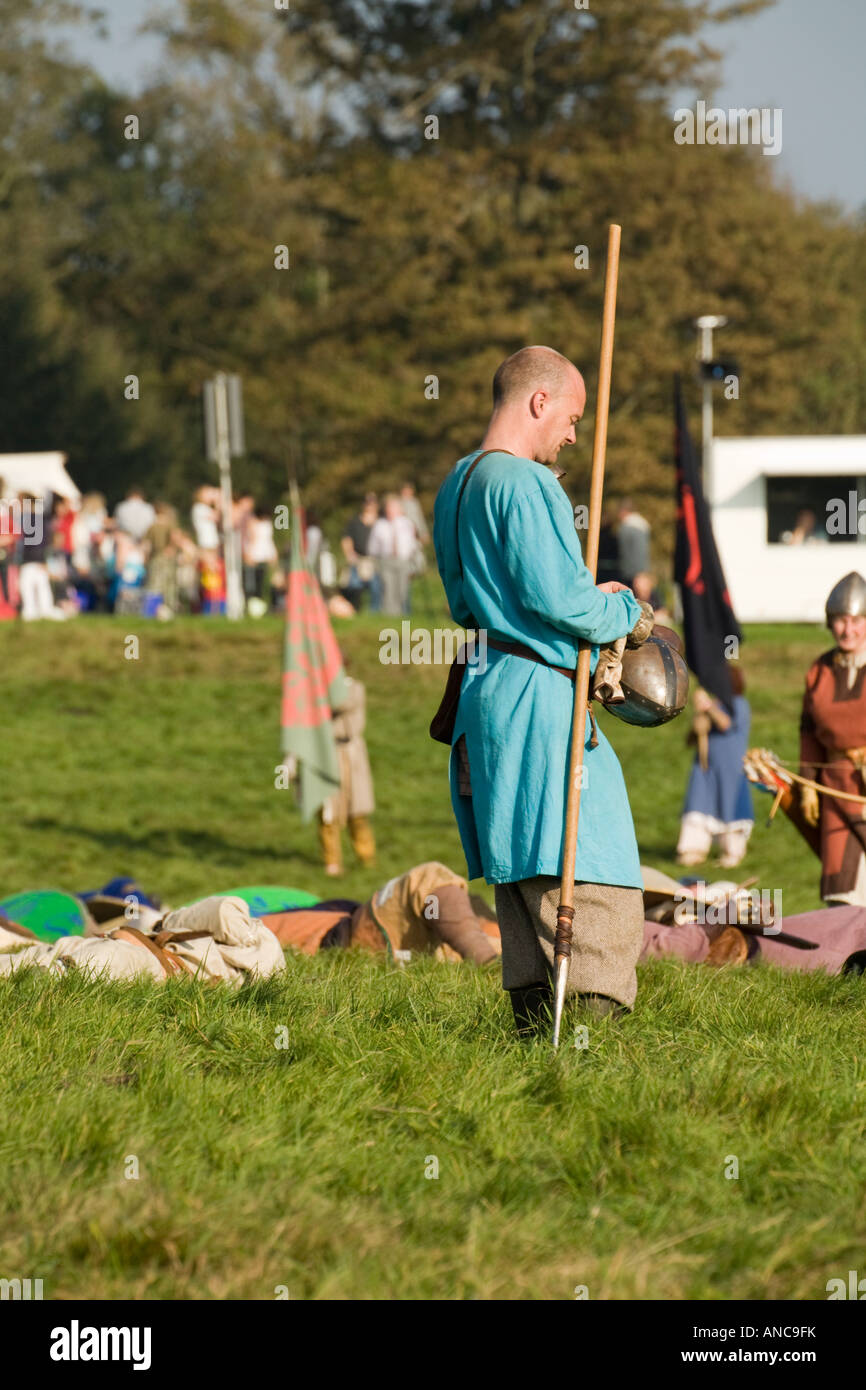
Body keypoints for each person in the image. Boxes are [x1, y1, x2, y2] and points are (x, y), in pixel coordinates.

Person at [433, 344, 654, 1034]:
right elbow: (560, 601)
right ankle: (589, 1032)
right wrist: (629, 614)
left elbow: (483, 600)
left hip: (487, 694)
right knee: (592, 856)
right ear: (539, 401)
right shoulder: (526, 484)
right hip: (537, 696)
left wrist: (583, 597)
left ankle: (536, 1029)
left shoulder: (458, 483)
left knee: (525, 859)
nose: (572, 435)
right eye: (572, 417)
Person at [261, 861, 500, 965]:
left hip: (441, 946)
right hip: (356, 935)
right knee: (429, 880)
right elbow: (234, 924)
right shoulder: (273, 925)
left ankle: (487, 957)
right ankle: (485, 959)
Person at [799, 572, 866, 906]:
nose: (847, 629)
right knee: (841, 888)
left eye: (855, 620)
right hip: (835, 785)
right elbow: (808, 732)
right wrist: (809, 785)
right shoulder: (820, 669)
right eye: (840, 621)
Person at [676, 668, 753, 869]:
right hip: (705, 769)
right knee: (698, 805)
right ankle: (692, 850)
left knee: (730, 807)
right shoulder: (715, 705)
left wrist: (708, 706)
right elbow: (692, 738)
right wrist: (699, 720)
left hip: (730, 770)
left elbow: (725, 723)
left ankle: (732, 852)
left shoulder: (737, 704)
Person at [316, 674, 376, 877]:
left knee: (357, 811)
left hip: (351, 755)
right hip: (326, 752)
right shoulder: (315, 689)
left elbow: (340, 703)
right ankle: (331, 862)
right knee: (327, 811)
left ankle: (366, 858)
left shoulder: (354, 687)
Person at [368, 494, 417, 615]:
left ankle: (403, 612)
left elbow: (412, 543)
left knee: (402, 587)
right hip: (386, 559)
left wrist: (412, 558)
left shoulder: (407, 523)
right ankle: (390, 614)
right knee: (388, 587)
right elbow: (373, 545)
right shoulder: (380, 524)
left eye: (393, 508)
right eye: (389, 508)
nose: (391, 511)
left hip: (403, 559)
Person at [341, 495, 379, 610]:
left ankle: (375, 610)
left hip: (375, 560)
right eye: (367, 503)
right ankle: (355, 608)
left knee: (376, 586)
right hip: (358, 559)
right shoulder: (355, 522)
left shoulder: (380, 522)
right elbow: (346, 539)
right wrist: (349, 554)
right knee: (354, 585)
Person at [617, 498, 651, 587]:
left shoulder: (629, 527)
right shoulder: (640, 526)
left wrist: (639, 573)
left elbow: (636, 552)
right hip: (638, 572)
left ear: (623, 511)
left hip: (633, 573)